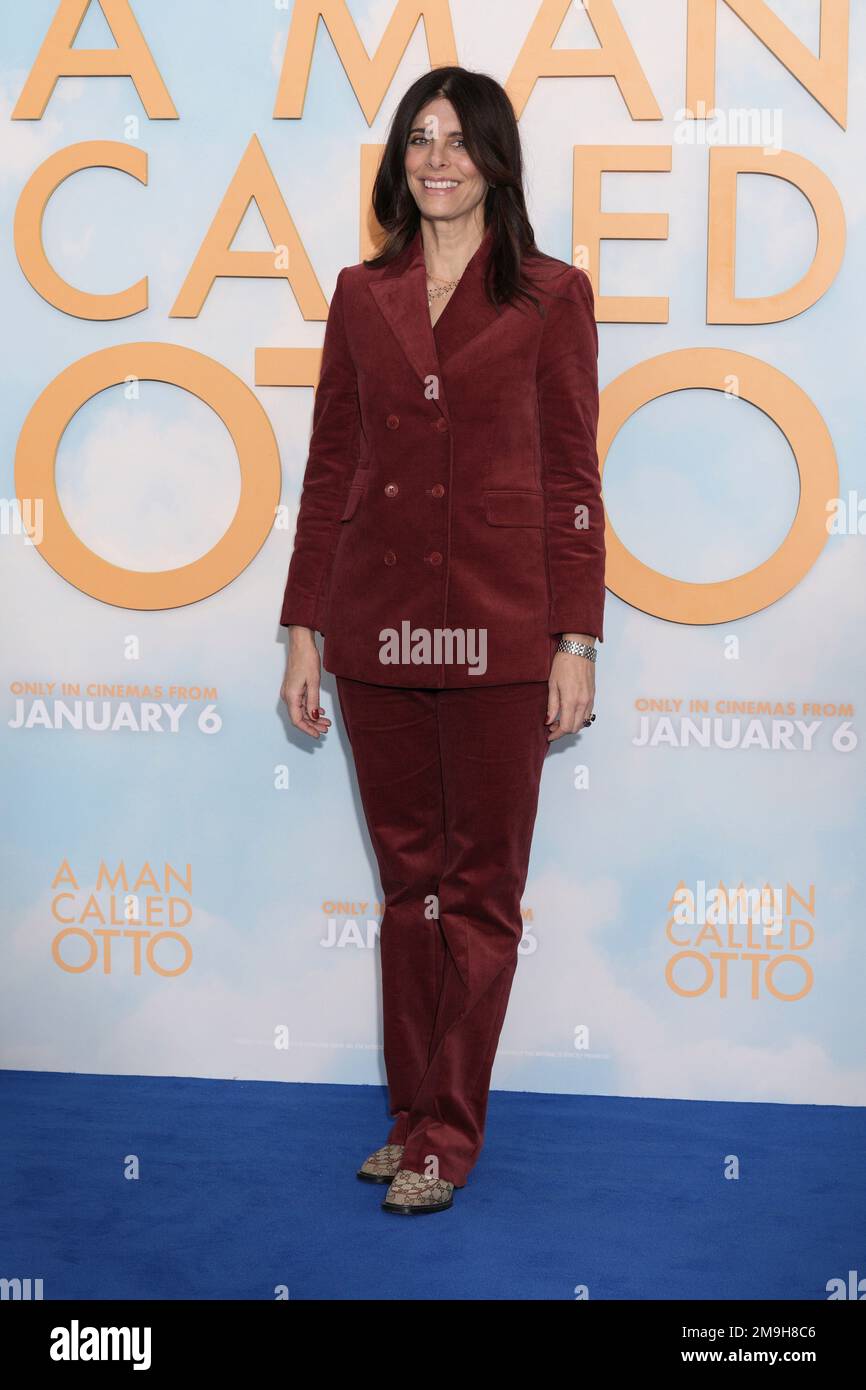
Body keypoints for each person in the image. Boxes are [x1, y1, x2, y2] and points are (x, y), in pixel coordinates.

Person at [279, 66, 605, 1215]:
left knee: (478, 895)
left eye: (458, 141)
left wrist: (576, 636)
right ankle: (408, 1112)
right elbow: (331, 469)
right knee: (408, 888)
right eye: (418, 138)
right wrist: (303, 626)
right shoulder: (359, 295)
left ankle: (446, 1135)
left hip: (502, 634)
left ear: (495, 161)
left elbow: (571, 475)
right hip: (374, 632)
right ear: (397, 161)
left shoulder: (550, 297)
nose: (436, 159)